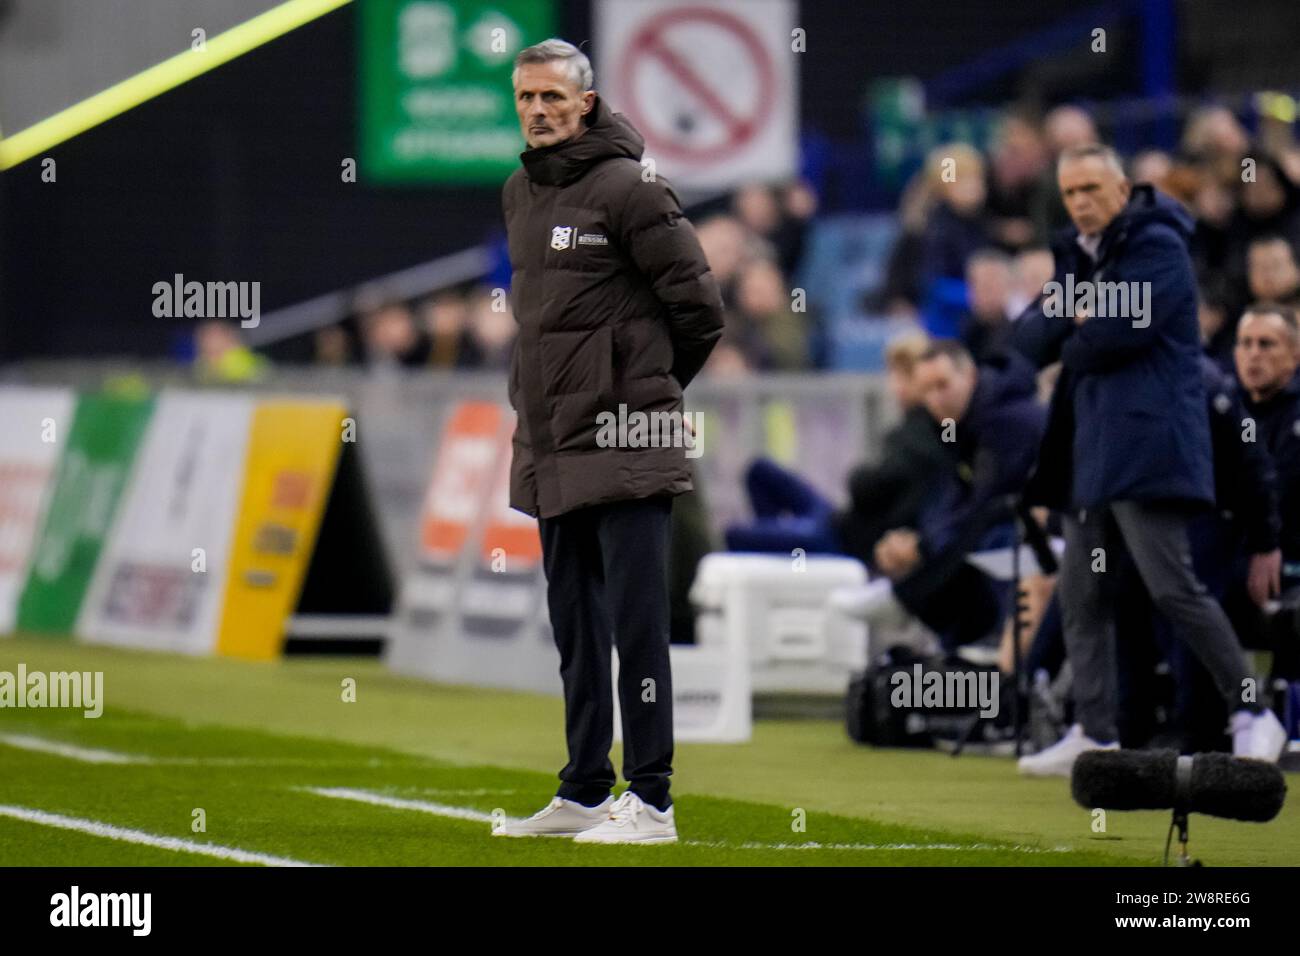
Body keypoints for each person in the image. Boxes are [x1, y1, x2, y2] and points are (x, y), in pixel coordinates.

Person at [492, 39, 723, 844]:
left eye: (552, 97)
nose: (538, 111)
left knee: (636, 628)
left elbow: (701, 310)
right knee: (576, 632)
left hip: (628, 441)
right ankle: (586, 788)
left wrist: (645, 391)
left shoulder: (632, 186)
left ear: (585, 103)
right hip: (553, 444)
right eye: (525, 98)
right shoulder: (519, 192)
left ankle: (652, 800)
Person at [1012, 144, 1287, 776]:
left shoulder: (1159, 244)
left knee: (1174, 587)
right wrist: (1064, 326)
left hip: (1149, 447)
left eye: (1090, 189)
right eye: (1070, 191)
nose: (1080, 202)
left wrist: (1077, 326)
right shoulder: (1081, 256)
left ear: (1121, 187)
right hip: (1095, 449)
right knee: (1080, 594)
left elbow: (1115, 334)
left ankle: (1252, 711)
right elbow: (1033, 335)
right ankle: (1095, 730)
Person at [832, 340, 1045, 651]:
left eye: (943, 385)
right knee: (949, 531)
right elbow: (955, 500)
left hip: (1057, 528)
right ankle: (940, 634)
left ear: (969, 376)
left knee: (990, 533)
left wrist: (923, 545)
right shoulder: (962, 425)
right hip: (1016, 524)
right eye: (927, 391)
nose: (936, 399)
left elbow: (990, 501)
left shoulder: (1006, 421)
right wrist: (918, 540)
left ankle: (909, 603)